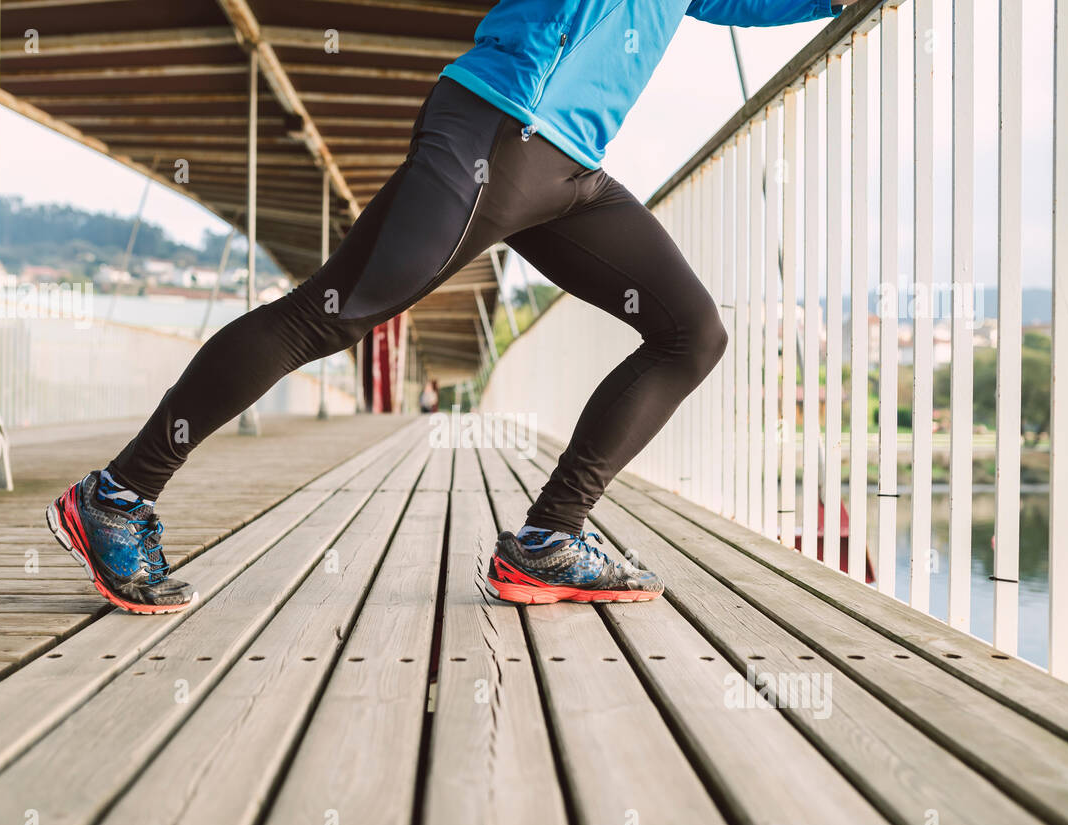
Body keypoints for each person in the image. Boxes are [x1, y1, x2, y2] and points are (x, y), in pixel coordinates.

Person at [46, 0, 851, 614]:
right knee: (324, 316)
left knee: (691, 333)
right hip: (501, 129)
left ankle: (550, 538)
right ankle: (117, 497)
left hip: (572, 171)